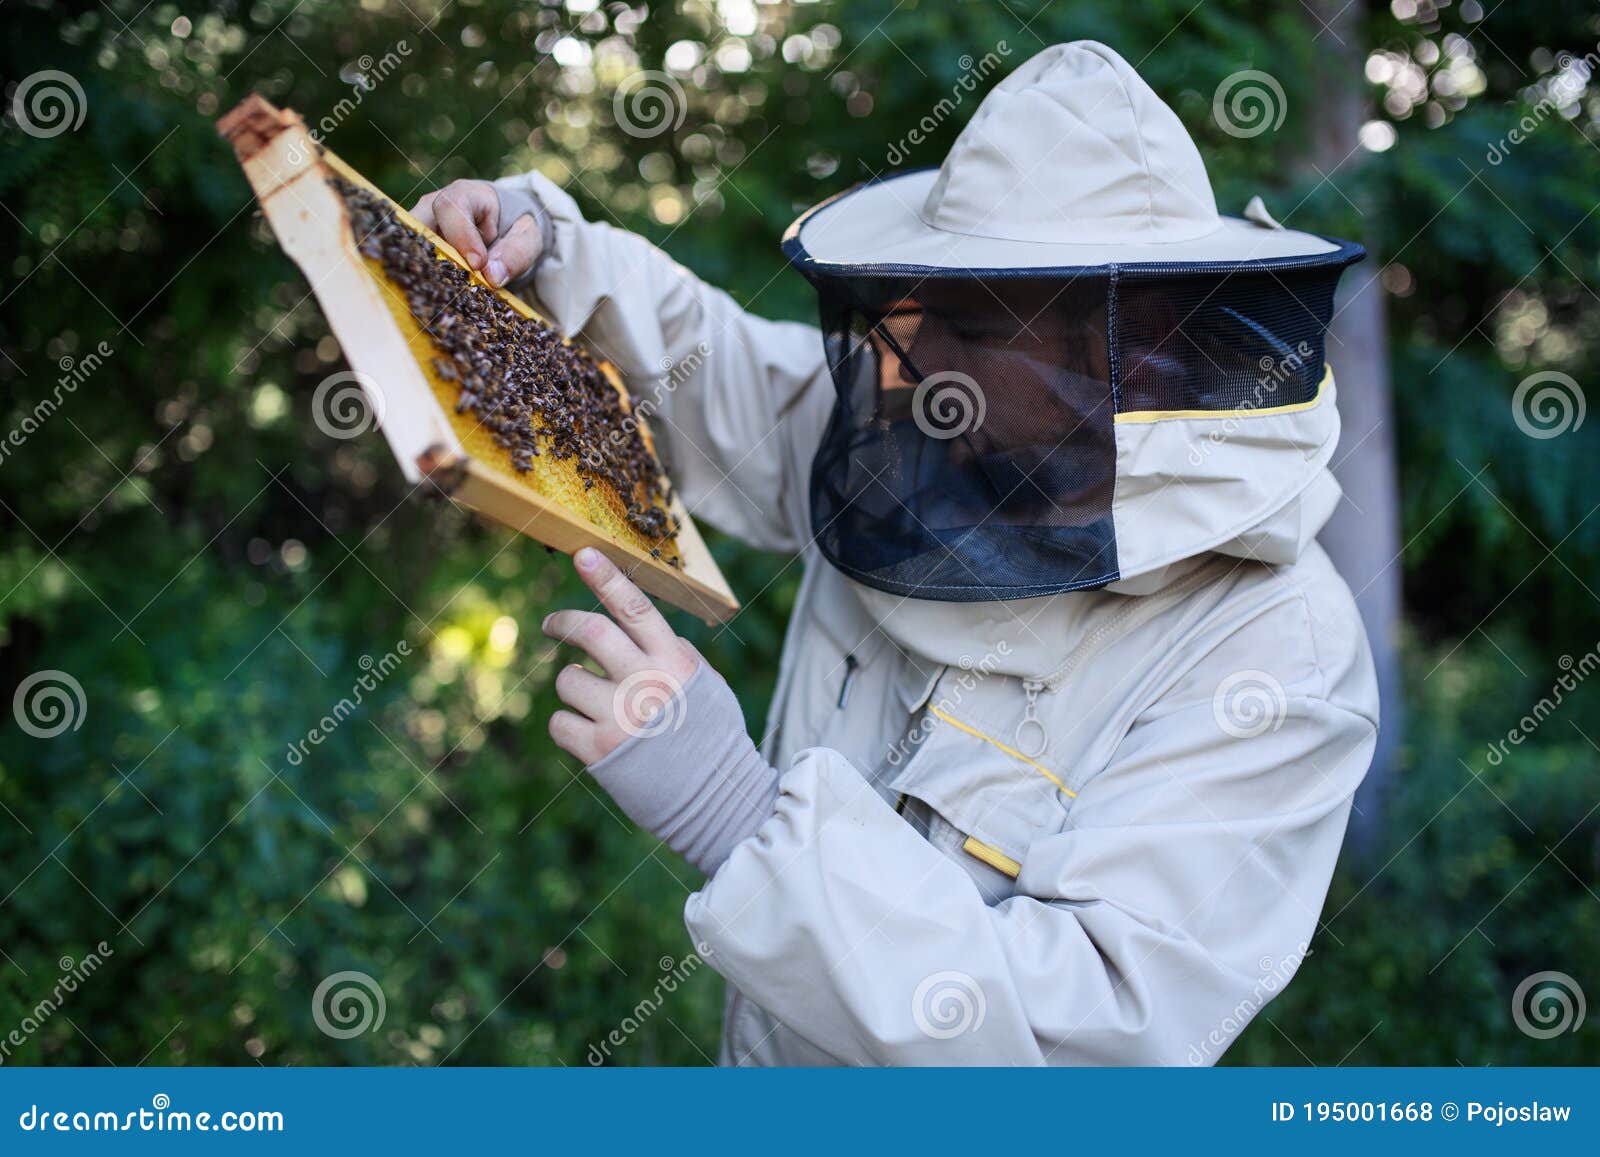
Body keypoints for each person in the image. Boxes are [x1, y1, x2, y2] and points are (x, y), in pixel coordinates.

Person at [412, 41, 1379, 1066]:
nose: (910, 352)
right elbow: (714, 368)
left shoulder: (1276, 655)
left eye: (964, 319)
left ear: (1118, 341)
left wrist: (738, 817)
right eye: (916, 303)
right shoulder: (924, 435)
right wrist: (546, 244)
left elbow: (1083, 1048)